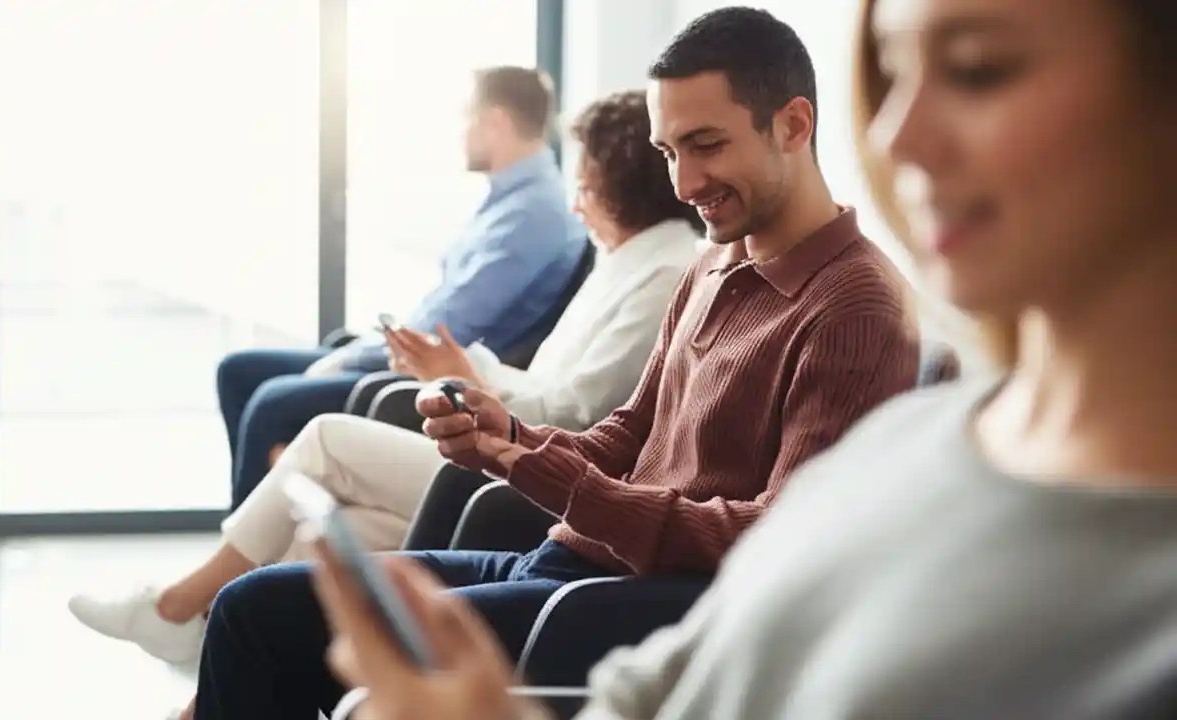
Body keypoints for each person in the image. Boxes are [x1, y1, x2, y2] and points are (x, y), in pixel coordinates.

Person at [310, 1, 1177, 718]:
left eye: (980, 70)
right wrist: (513, 447)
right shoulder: (906, 445)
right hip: (583, 566)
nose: (893, 137)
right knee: (296, 611)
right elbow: (676, 671)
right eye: (888, 77)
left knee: (281, 620)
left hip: (606, 587)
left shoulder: (861, 317)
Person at [183, 8, 922, 718]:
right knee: (257, 605)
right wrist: (509, 439)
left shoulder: (855, 310)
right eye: (670, 152)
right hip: (564, 563)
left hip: (617, 607)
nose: (684, 184)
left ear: (793, 124)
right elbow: (631, 434)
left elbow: (778, 537)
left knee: (261, 625)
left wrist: (557, 478)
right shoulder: (713, 263)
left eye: (707, 145)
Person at [65, 90, 703, 665]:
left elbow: (575, 412)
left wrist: (469, 373)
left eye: (586, 186)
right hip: (514, 445)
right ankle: (208, 670)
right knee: (320, 535)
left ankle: (177, 608)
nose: (576, 202)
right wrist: (469, 375)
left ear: (622, 187)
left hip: (529, 471)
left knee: (325, 438)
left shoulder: (664, 273)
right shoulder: (623, 262)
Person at [216, 66, 585, 513]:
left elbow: (448, 328)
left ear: (495, 122)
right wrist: (355, 351)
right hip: (408, 359)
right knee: (238, 371)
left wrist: (349, 359)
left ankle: (248, 549)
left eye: (466, 118)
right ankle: (252, 532)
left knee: (270, 402)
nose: (461, 133)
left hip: (429, 378)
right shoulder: (509, 202)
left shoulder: (533, 215)